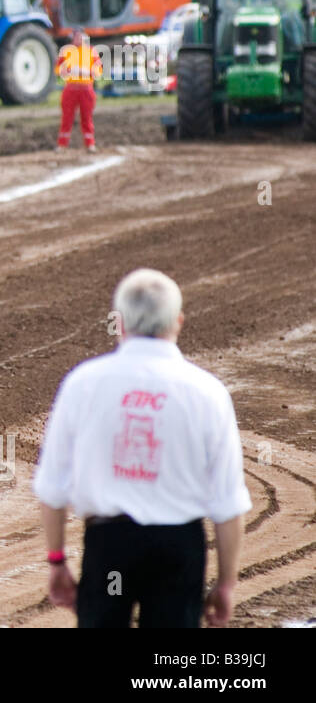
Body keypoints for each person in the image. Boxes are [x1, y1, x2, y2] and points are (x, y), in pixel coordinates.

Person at [34, 269, 251, 628]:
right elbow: (229, 503)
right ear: (178, 322)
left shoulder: (82, 383)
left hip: (110, 549)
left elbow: (52, 486)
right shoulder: (208, 392)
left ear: (118, 323)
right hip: (177, 549)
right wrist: (227, 583)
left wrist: (57, 559)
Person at [56, 29, 101, 152]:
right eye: (76, 37)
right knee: (67, 118)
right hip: (71, 88)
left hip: (86, 88)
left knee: (86, 118)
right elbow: (59, 69)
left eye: (80, 37)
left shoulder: (91, 51)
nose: (78, 39)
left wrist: (87, 72)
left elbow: (98, 70)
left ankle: (90, 143)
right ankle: (62, 144)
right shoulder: (67, 51)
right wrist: (69, 70)